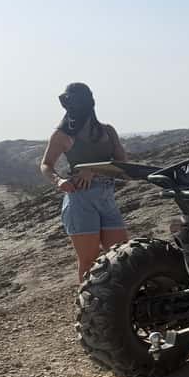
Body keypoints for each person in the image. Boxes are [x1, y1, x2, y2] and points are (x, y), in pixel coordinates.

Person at [40, 83, 129, 282]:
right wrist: (59, 181)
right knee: (89, 261)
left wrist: (93, 169)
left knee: (121, 255)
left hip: (106, 198)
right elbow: (46, 165)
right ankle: (89, 300)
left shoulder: (107, 130)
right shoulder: (62, 134)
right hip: (80, 200)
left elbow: (122, 164)